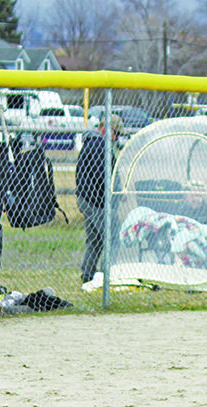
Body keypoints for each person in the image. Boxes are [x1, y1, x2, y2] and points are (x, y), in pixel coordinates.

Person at [75, 114, 122, 283]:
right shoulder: (100, 146)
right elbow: (102, 177)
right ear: (107, 129)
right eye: (116, 133)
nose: (116, 138)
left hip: (87, 200)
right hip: (96, 202)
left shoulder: (93, 143)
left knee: (95, 239)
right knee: (112, 237)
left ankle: (87, 274)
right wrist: (110, 199)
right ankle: (107, 275)